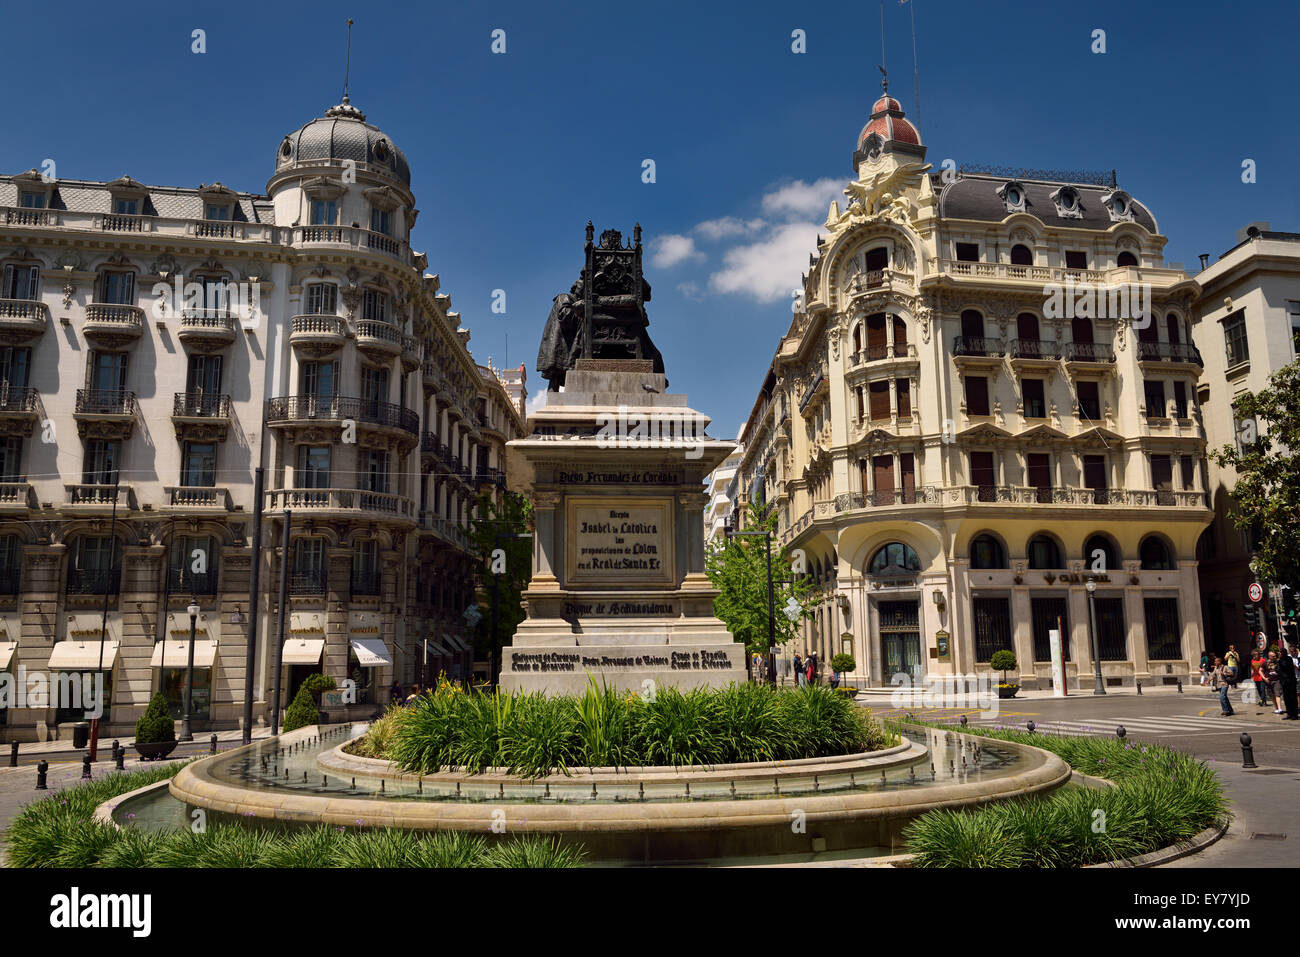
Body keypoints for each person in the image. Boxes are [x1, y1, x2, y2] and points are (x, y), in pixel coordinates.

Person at [1282, 644, 1300, 720]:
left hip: (1297, 678)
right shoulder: (1288, 659)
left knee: (1297, 694)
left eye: (1293, 651)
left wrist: (1294, 666)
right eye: (1291, 651)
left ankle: (1297, 709)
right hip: (1288, 681)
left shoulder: (1298, 658)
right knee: (1289, 697)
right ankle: (1290, 713)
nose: (1292, 653)